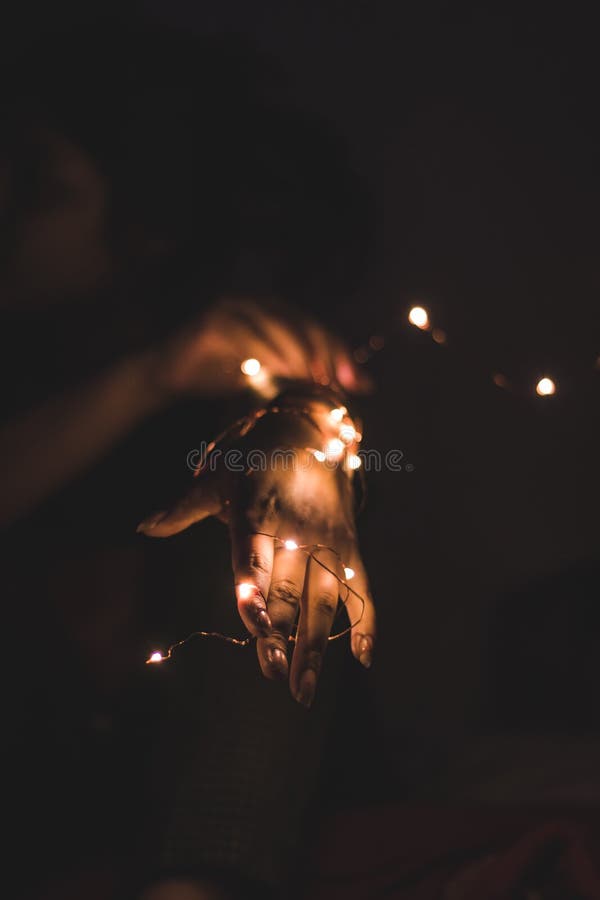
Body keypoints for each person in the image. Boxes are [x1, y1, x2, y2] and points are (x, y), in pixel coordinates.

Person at [1, 16, 375, 899]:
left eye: (41, 186)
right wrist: (146, 378)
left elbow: (297, 425)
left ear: (151, 225)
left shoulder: (241, 382)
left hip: (182, 831)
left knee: (275, 552)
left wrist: (297, 453)